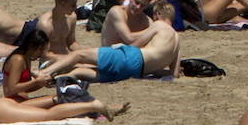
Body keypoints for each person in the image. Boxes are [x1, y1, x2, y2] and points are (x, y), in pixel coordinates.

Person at [41, 5, 181, 83]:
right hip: (137, 71)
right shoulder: (178, 39)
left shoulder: (159, 25)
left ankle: (44, 72)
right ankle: (60, 77)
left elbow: (136, 44)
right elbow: (174, 73)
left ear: (158, 13)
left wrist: (121, 46)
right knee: (83, 71)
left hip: (132, 57)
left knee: (80, 55)